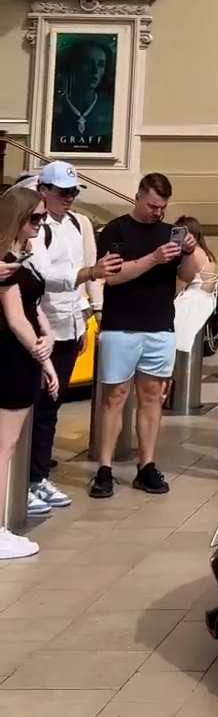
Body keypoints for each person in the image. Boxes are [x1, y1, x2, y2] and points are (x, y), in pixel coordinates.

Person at [89, 173, 198, 500]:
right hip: (121, 324)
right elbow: (114, 277)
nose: (156, 212)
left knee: (152, 396)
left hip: (159, 324)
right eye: (152, 205)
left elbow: (187, 276)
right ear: (138, 196)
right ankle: (105, 468)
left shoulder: (169, 233)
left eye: (162, 207)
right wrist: (153, 258)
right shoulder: (116, 230)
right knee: (116, 396)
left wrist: (189, 253)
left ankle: (147, 464)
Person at [26, 161, 120, 517]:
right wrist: (89, 273)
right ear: (44, 190)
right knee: (33, 406)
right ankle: (24, 480)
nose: (68, 198)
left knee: (51, 407)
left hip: (68, 326)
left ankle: (36, 477)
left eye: (72, 192)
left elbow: (79, 281)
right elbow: (44, 274)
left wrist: (83, 320)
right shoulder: (38, 226)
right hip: (41, 326)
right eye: (62, 192)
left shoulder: (74, 224)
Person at [0, 189, 60, 560]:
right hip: (9, 357)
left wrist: (46, 341)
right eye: (34, 218)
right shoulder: (8, 258)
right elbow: (14, 314)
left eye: (42, 218)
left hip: (19, 355)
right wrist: (40, 352)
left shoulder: (21, 253)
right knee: (4, 448)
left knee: (6, 447)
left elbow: (32, 307)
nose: (40, 224)